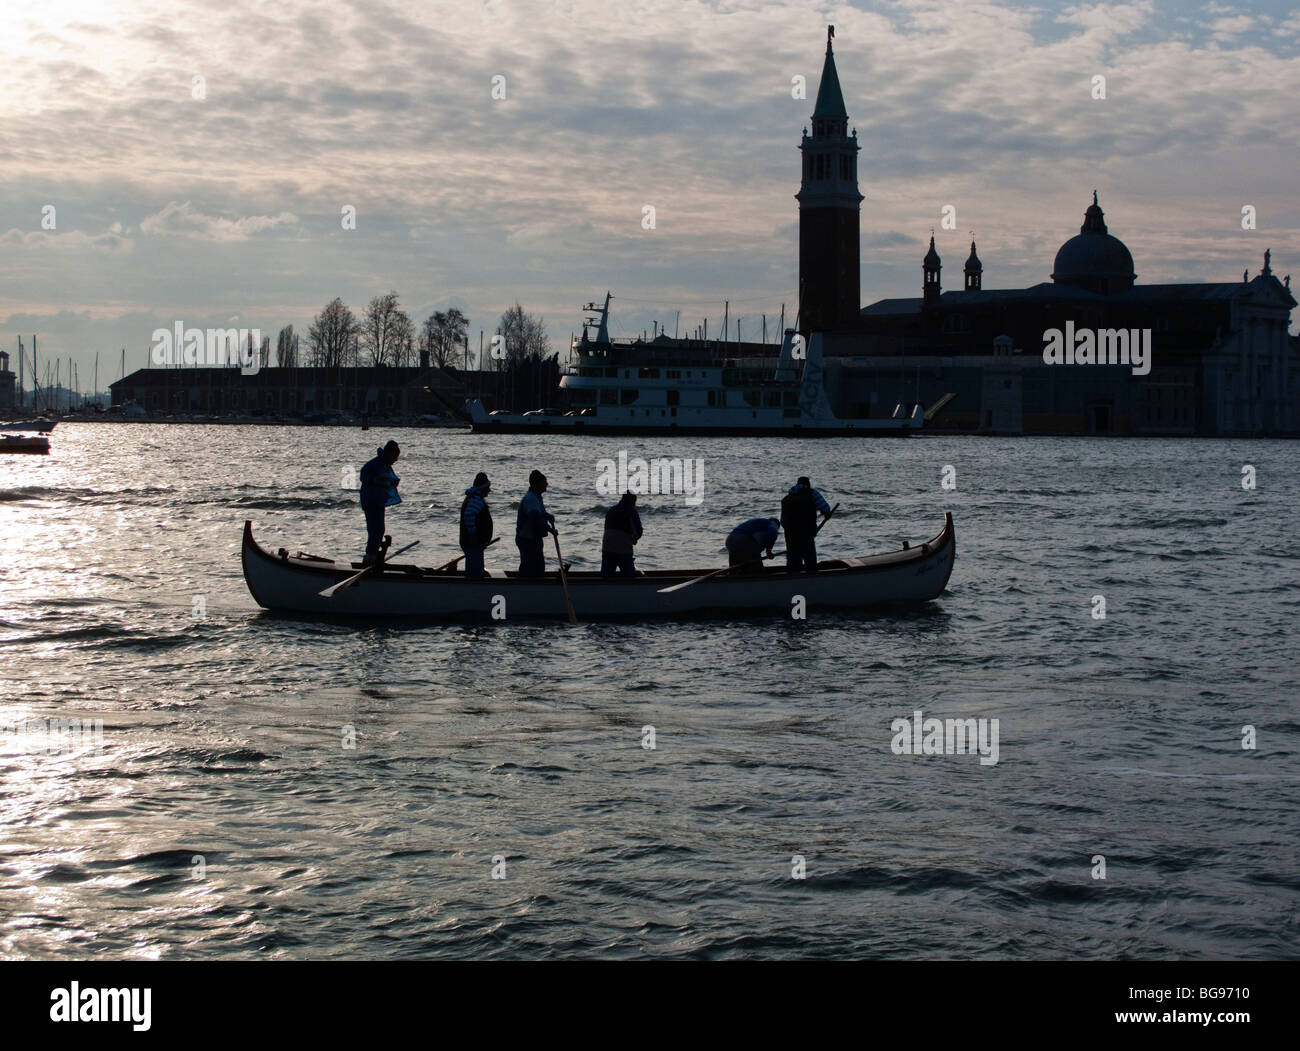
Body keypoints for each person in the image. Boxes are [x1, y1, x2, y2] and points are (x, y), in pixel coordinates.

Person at [359, 440, 400, 565]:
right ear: (389, 453)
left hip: (378, 500)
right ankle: (370, 556)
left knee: (377, 529)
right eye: (395, 457)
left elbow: (387, 480)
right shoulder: (377, 464)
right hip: (371, 500)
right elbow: (364, 477)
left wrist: (392, 482)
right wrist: (376, 479)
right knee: (376, 529)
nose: (396, 460)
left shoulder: (384, 464)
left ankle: (373, 554)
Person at [780, 476, 832, 573]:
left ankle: (792, 578)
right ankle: (811, 578)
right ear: (808, 484)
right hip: (806, 532)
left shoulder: (787, 498)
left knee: (793, 558)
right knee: (809, 557)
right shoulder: (812, 493)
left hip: (790, 534)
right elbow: (825, 508)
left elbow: (782, 521)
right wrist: (827, 514)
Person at [516, 469, 556, 577]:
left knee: (537, 567)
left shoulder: (536, 498)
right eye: (544, 482)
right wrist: (550, 529)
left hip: (533, 538)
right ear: (537, 484)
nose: (547, 484)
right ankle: (523, 586)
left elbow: (539, 513)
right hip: (527, 539)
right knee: (530, 567)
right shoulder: (530, 499)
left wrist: (547, 516)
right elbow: (536, 518)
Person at [601, 492, 643, 578]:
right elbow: (639, 531)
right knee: (630, 577)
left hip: (607, 547)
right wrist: (634, 540)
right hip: (623, 549)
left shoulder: (611, 510)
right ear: (632, 501)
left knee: (606, 576)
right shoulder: (631, 511)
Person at [460, 472, 493, 578]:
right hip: (472, 543)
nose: (489, 490)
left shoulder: (474, 498)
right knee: (475, 572)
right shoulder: (476, 499)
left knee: (474, 569)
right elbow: (469, 516)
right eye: (488, 487)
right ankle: (473, 589)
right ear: (483, 488)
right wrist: (474, 536)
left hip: (473, 543)